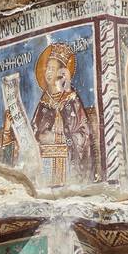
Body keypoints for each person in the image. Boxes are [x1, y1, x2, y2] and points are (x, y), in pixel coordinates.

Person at [31, 42, 96, 186]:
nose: (48, 71)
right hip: (46, 166)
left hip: (68, 164)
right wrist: (38, 138)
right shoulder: (43, 102)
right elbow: (34, 131)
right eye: (47, 67)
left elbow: (83, 136)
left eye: (52, 68)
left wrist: (58, 138)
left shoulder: (72, 99)